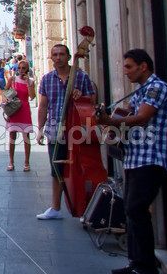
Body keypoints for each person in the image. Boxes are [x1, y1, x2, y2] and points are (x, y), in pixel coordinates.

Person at [97, 49, 167, 274]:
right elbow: (127, 118)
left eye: (129, 66)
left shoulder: (156, 88)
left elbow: (141, 118)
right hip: (136, 159)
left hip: (151, 159)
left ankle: (145, 267)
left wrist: (111, 120)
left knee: (135, 210)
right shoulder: (141, 91)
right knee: (132, 211)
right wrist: (111, 127)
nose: (126, 71)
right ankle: (136, 263)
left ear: (144, 66)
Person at [35, 43, 97, 219]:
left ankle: (85, 206)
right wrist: (40, 129)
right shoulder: (47, 79)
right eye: (55, 54)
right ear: (51, 58)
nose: (58, 57)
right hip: (55, 129)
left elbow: (92, 101)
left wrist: (81, 94)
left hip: (78, 130)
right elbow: (43, 106)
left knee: (82, 169)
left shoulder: (81, 77)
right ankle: (55, 207)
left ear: (69, 57)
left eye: (62, 54)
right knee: (56, 169)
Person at [5, 60, 36, 171]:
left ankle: (27, 162)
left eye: (23, 68)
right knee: (12, 136)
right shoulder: (12, 79)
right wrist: (6, 102)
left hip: (25, 110)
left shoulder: (31, 82)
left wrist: (28, 83)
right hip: (14, 110)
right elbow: (5, 93)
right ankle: (11, 162)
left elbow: (32, 96)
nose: (21, 70)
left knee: (26, 137)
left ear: (27, 69)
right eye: (19, 68)